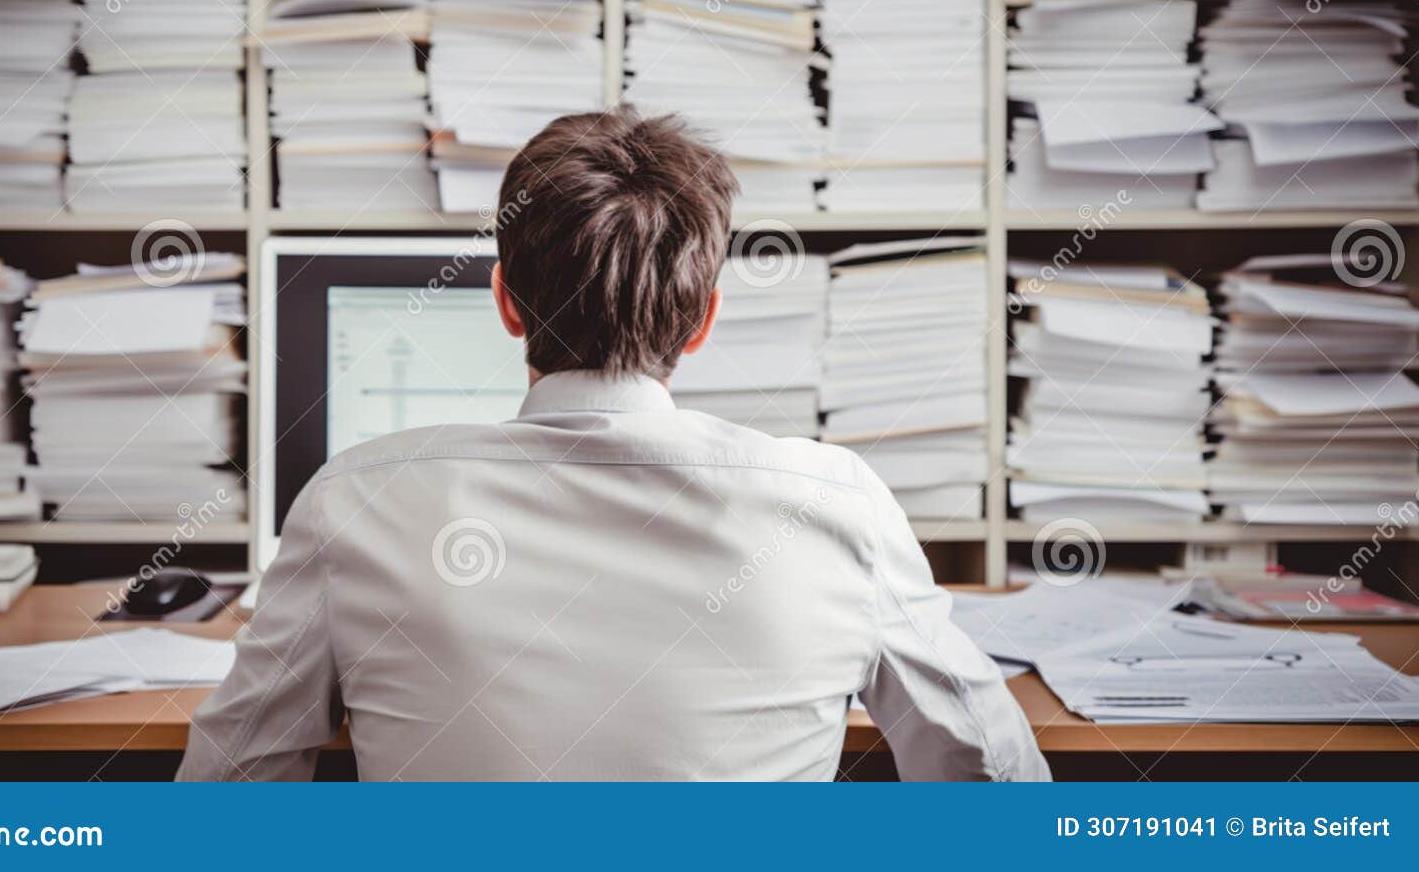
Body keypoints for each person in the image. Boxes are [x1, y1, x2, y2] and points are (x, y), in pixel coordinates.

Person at [177, 107, 1049, 782]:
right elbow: (994, 776)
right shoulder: (835, 504)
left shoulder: (354, 500)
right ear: (703, 318)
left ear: (506, 303)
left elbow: (225, 791)